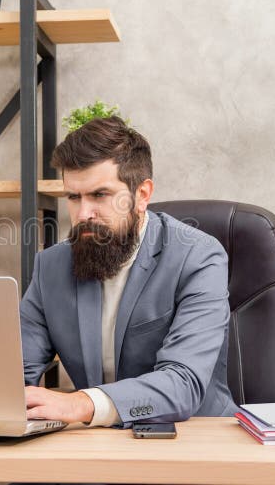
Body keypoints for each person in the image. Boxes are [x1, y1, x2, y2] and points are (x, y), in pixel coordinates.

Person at [20, 116, 240, 427]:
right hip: (98, 451)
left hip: (196, 441)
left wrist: (81, 403)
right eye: (73, 197)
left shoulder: (199, 257)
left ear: (142, 195)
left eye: (100, 195)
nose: (83, 214)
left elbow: (183, 383)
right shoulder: (51, 267)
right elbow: (13, 372)